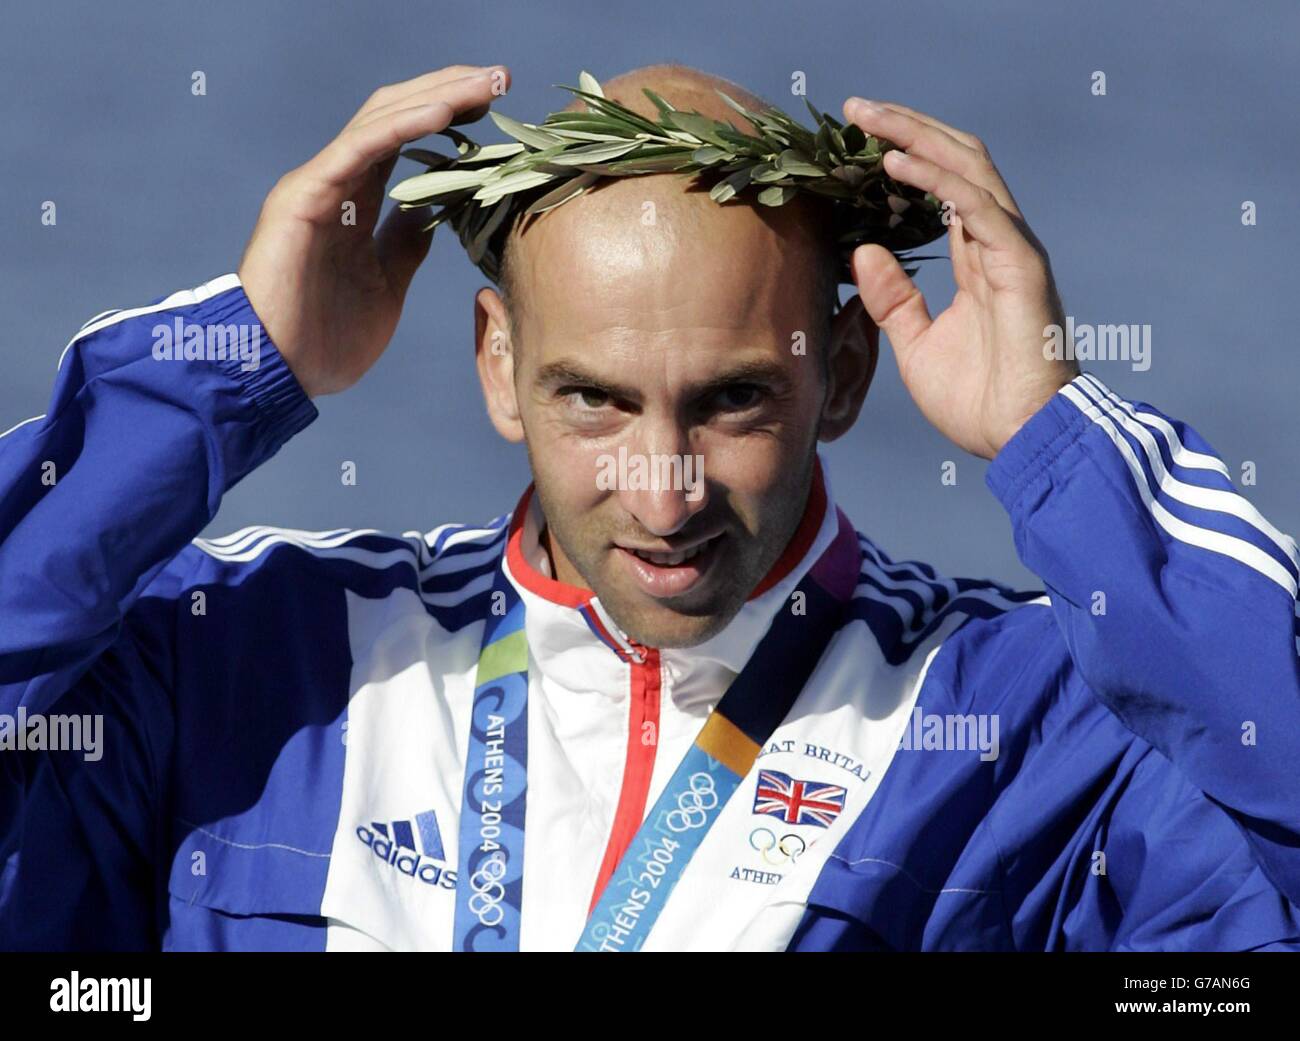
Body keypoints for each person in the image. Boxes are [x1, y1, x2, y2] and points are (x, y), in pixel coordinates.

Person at [0, 62, 1296, 952]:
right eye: (597, 402)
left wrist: (1055, 440)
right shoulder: (250, 653)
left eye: (731, 402)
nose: (663, 490)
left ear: (842, 374)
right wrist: (228, 367)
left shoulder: (1018, 718)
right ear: (498, 362)